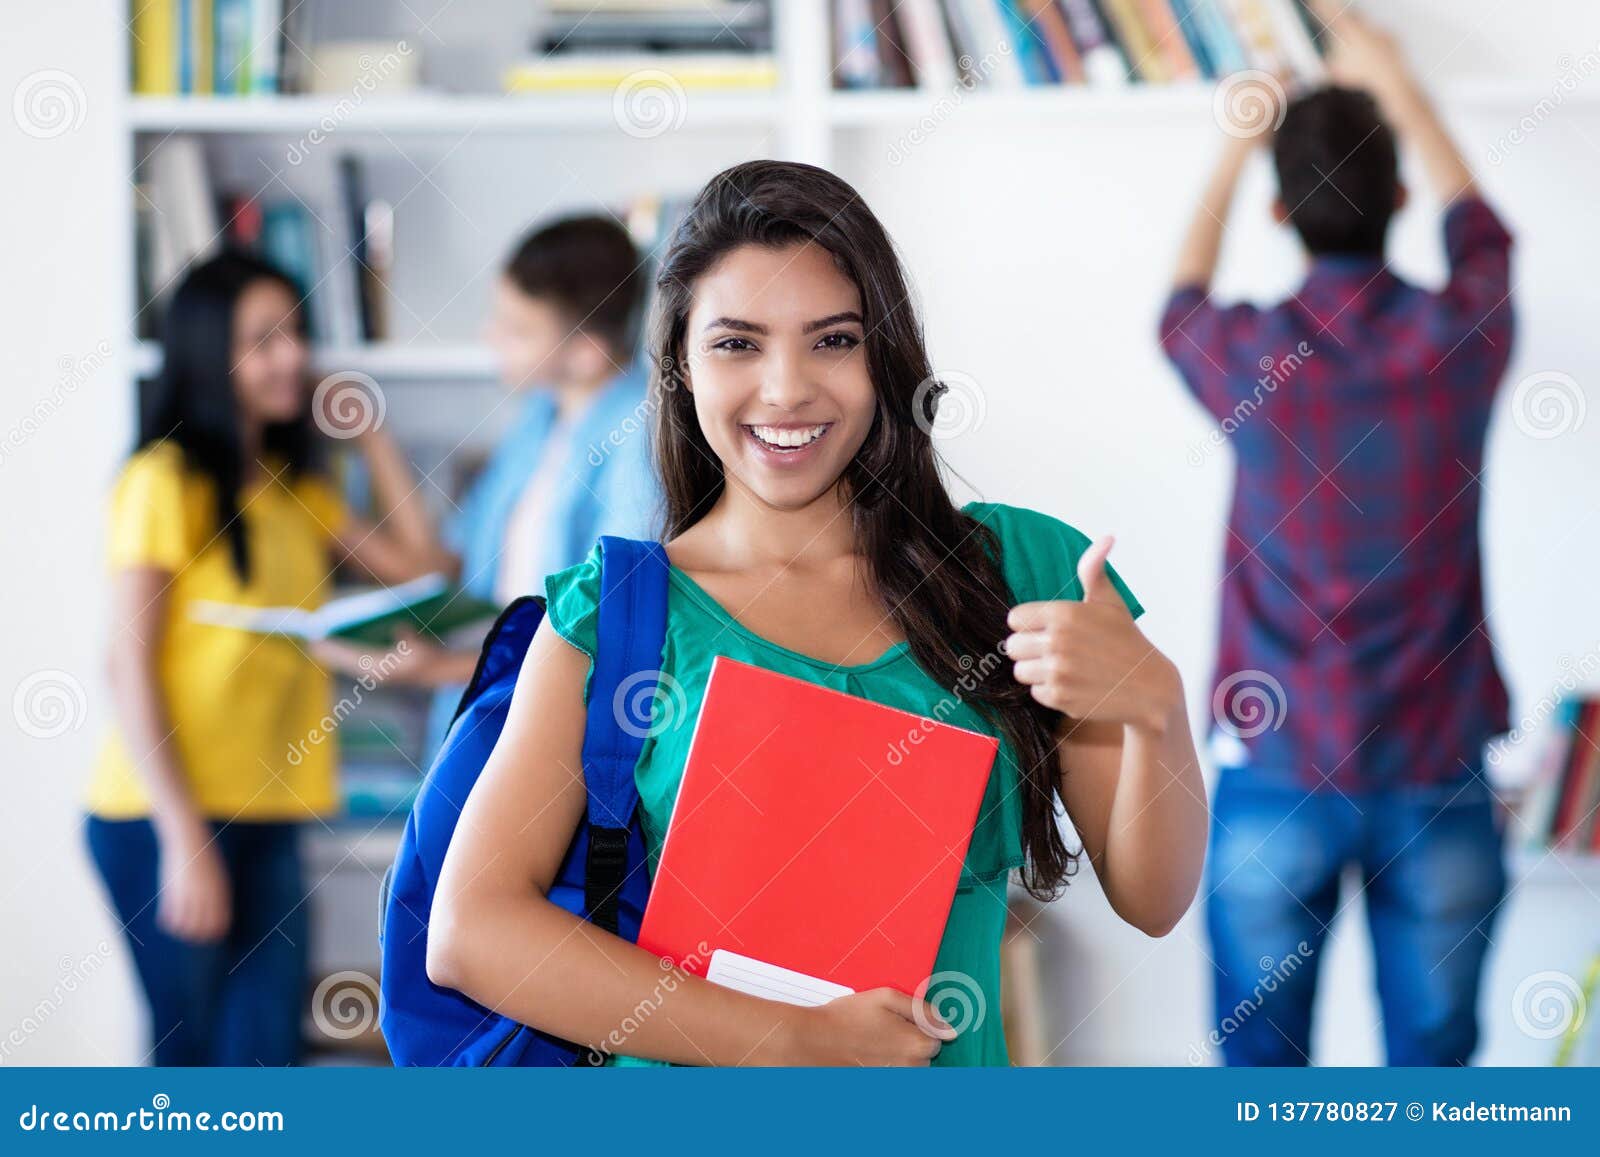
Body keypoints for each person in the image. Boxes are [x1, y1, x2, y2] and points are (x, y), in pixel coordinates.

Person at [423, 159, 1208, 1067]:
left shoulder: (1016, 570)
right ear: (680, 361)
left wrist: (1154, 704)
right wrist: (795, 1040)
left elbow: (1154, 900)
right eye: (737, 344)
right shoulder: (616, 613)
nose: (787, 388)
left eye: (832, 340)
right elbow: (472, 931)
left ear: (885, 356)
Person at [1158, 9, 1515, 1065]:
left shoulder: (1244, 355)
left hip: (1278, 768)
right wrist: (1399, 85)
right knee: (1435, 1079)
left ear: (1278, 209)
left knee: (1258, 1081)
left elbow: (1177, 300)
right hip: (1434, 766)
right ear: (1398, 199)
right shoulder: (1459, 338)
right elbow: (1486, 235)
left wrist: (1235, 135)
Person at [86, 251, 452, 1065]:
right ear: (211, 352)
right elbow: (127, 665)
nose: (292, 356)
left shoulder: (296, 489)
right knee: (190, 1061)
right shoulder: (162, 480)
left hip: (271, 812)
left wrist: (373, 433)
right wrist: (184, 840)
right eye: (264, 339)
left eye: (296, 334)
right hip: (163, 816)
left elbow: (430, 572)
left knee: (263, 1058)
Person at [322, 215, 660, 758]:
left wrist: (442, 669)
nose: (490, 337)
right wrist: (370, 447)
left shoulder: (640, 437)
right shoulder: (538, 421)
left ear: (587, 352)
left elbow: (605, 623)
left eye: (518, 329)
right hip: (488, 709)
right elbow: (444, 565)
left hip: (554, 734)